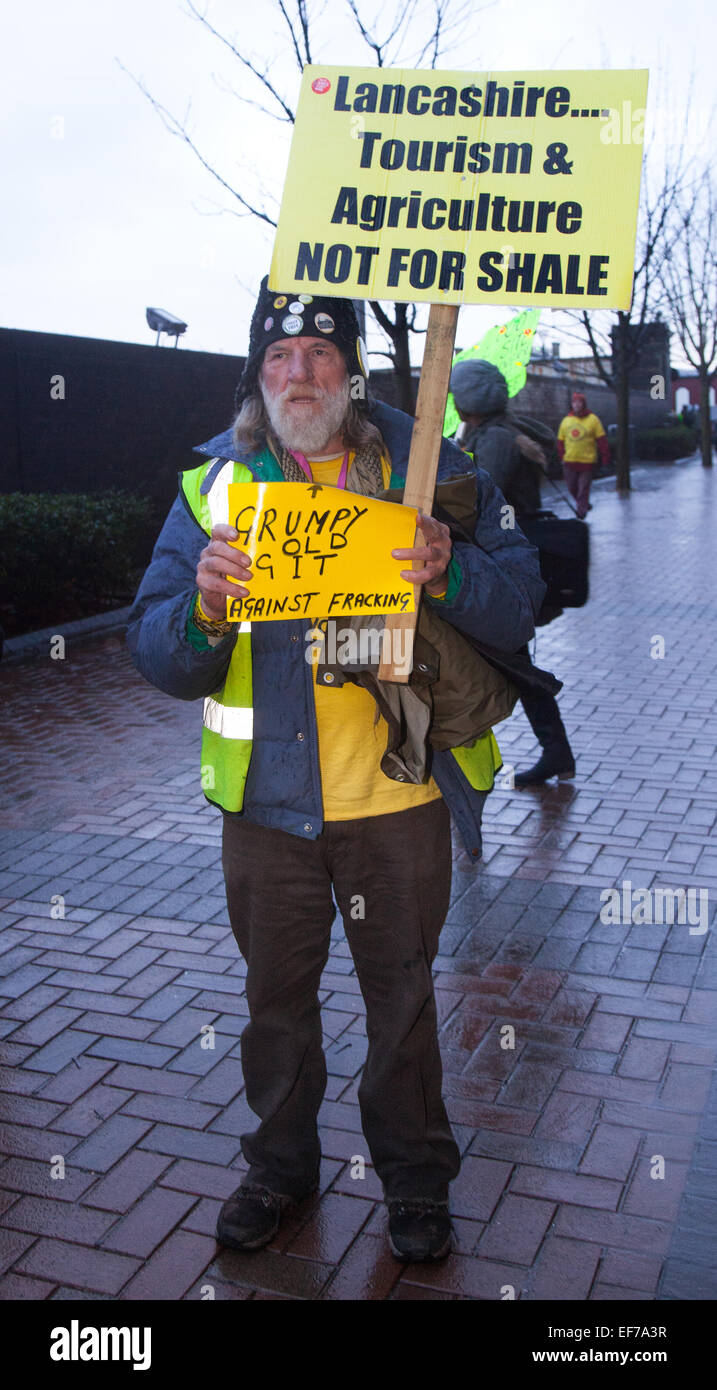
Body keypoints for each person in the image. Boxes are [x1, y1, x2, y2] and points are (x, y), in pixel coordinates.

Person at [127, 280, 544, 1263]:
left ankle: (414, 1179)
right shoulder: (214, 488)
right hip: (267, 812)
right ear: (256, 374)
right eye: (279, 356)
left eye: (320, 352)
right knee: (276, 1006)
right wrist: (205, 611)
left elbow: (521, 602)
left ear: (350, 366)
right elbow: (155, 648)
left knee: (401, 1002)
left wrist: (449, 567)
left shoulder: (425, 463)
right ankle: (278, 1168)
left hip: (399, 798)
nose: (299, 372)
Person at [450, 357, 576, 787]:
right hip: (495, 565)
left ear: (470, 399)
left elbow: (479, 498)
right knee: (516, 663)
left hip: (499, 567)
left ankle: (550, 751)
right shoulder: (492, 433)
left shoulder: (499, 439)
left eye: (456, 394)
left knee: (512, 663)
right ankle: (556, 751)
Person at [556, 391, 609, 519]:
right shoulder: (566, 420)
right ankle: (584, 504)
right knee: (572, 488)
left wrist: (605, 458)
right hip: (569, 461)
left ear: (583, 404)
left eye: (579, 402)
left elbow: (601, 440)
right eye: (574, 402)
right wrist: (562, 457)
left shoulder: (593, 420)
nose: (577, 405)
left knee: (583, 489)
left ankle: (581, 512)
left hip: (587, 461)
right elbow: (560, 441)